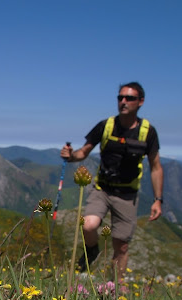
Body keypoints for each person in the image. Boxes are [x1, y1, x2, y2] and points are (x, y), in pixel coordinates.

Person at [60, 82, 164, 278]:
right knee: (88, 225)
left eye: (129, 98)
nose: (123, 102)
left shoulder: (148, 132)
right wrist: (70, 156)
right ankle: (92, 251)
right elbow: (84, 151)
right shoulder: (106, 126)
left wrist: (158, 199)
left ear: (140, 101)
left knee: (121, 245)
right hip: (102, 189)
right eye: (120, 98)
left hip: (127, 194)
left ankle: (118, 287)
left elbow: (156, 166)